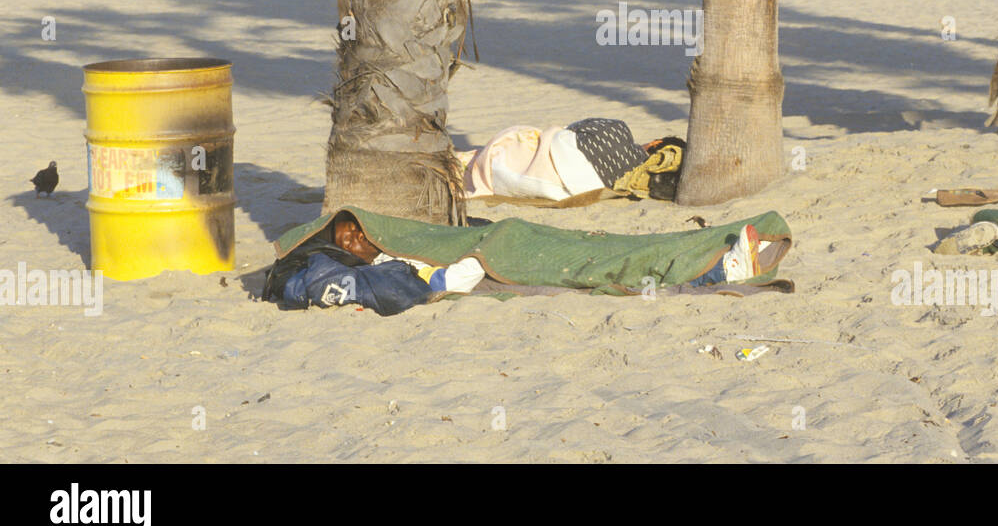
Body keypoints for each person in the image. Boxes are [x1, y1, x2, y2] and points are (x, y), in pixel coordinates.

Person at [263, 207, 791, 316]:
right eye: (343, 237)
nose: (355, 237)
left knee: (600, 250)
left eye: (353, 228)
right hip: (498, 256)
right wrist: (448, 275)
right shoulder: (351, 270)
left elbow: (448, 250)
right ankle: (717, 262)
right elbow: (410, 287)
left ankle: (715, 249)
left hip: (507, 241)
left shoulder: (398, 240)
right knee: (596, 268)